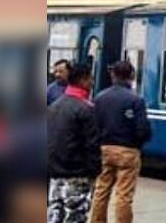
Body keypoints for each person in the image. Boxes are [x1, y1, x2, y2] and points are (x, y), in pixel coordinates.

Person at [89, 60, 151, 223]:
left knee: (101, 191)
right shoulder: (136, 100)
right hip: (128, 150)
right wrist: (138, 144)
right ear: (131, 76)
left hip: (104, 149)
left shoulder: (100, 97)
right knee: (123, 195)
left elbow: (93, 126)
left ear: (112, 75)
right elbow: (143, 129)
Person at [48, 62, 101, 223]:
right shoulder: (87, 109)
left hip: (55, 175)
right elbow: (92, 145)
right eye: (90, 79)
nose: (92, 83)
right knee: (75, 217)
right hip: (78, 175)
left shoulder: (55, 106)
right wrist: (94, 171)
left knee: (54, 216)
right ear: (82, 80)